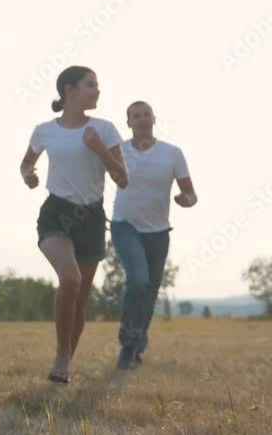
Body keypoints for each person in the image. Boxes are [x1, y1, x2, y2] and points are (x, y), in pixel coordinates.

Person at [19, 65, 128, 383]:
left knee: (80, 295)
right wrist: (29, 175)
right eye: (90, 84)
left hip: (92, 217)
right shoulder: (45, 130)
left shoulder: (105, 130)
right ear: (70, 90)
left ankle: (64, 360)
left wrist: (99, 150)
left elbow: (122, 179)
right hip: (57, 213)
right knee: (70, 278)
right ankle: (62, 355)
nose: (97, 90)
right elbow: (27, 162)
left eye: (97, 85)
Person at [110, 101, 196, 369]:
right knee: (137, 281)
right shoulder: (119, 151)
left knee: (148, 292)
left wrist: (186, 199)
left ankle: (136, 345)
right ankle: (127, 345)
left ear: (154, 118)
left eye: (146, 114)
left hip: (159, 232)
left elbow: (191, 193)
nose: (143, 119)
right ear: (129, 123)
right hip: (125, 226)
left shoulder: (172, 154)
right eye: (136, 116)